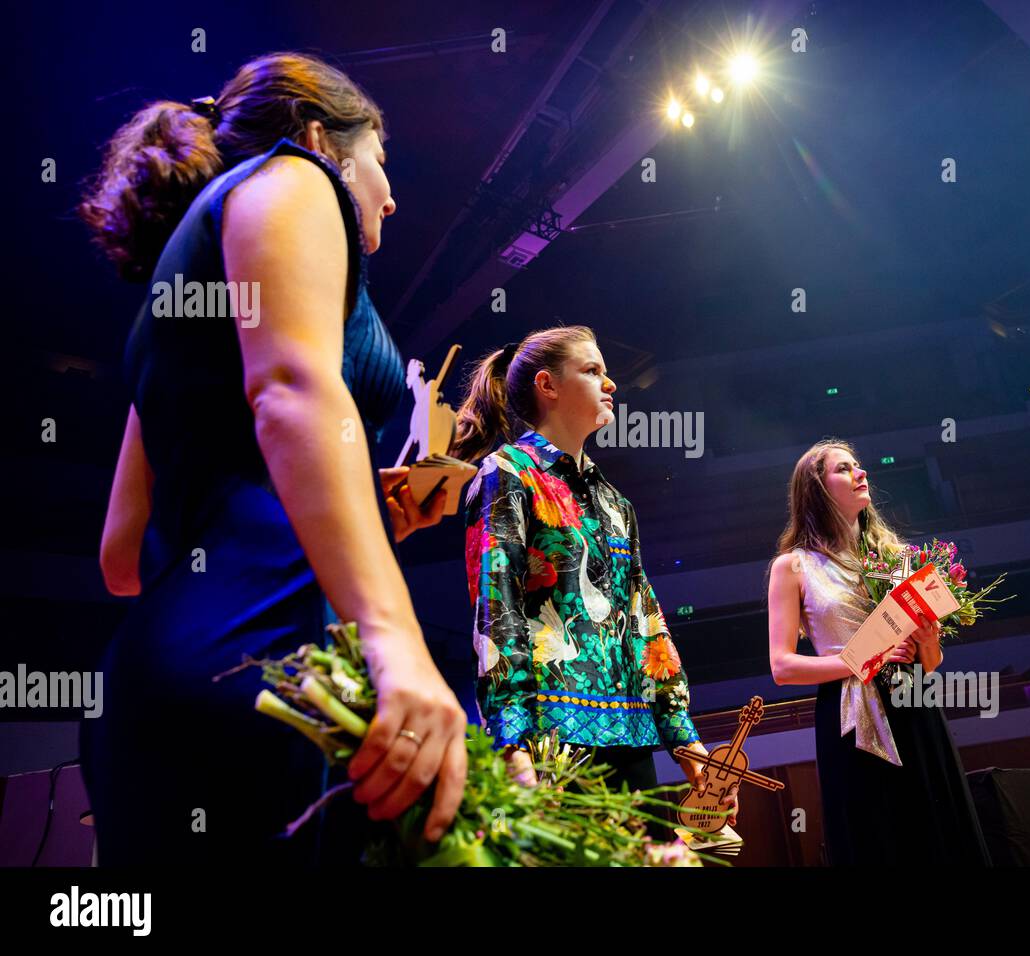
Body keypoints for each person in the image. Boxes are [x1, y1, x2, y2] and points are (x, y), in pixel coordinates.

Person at [79, 52, 465, 864]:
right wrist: (394, 636)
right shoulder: (298, 177)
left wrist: (365, 507)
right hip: (274, 676)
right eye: (380, 163)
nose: (391, 196)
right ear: (322, 137)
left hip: (155, 681)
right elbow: (290, 394)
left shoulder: (173, 295)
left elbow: (123, 555)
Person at [452, 325, 737, 834]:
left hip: (630, 734)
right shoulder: (507, 473)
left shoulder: (615, 502)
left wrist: (684, 739)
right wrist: (512, 744)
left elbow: (646, 623)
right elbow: (497, 613)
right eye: (593, 371)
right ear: (548, 385)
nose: (611, 384)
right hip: (551, 742)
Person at [766, 440, 990, 866]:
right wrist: (864, 658)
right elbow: (782, 666)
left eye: (860, 466)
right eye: (845, 469)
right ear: (816, 488)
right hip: (851, 715)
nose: (861, 473)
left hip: (915, 704)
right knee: (876, 834)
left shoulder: (898, 556)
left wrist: (926, 638)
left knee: (938, 830)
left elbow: (932, 662)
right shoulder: (793, 566)